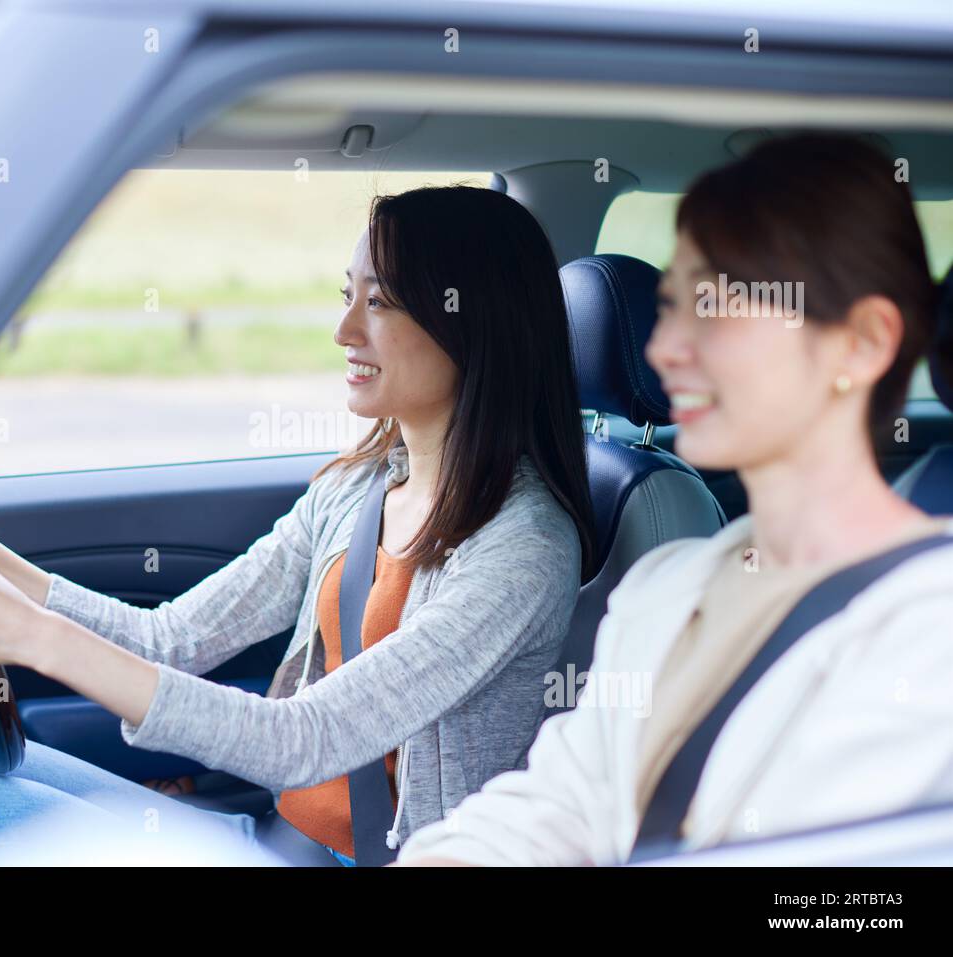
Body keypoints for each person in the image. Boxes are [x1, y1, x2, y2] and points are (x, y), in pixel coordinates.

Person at [0, 184, 596, 866]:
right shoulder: (358, 488)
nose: (343, 329)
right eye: (348, 294)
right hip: (276, 842)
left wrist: (27, 635)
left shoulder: (523, 547)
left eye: (382, 302)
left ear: (472, 323)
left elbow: (306, 738)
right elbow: (171, 639)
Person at [394, 133, 953, 866]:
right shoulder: (668, 583)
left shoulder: (927, 632)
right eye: (671, 306)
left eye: (719, 307)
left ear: (861, 344)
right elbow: (555, 807)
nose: (666, 349)